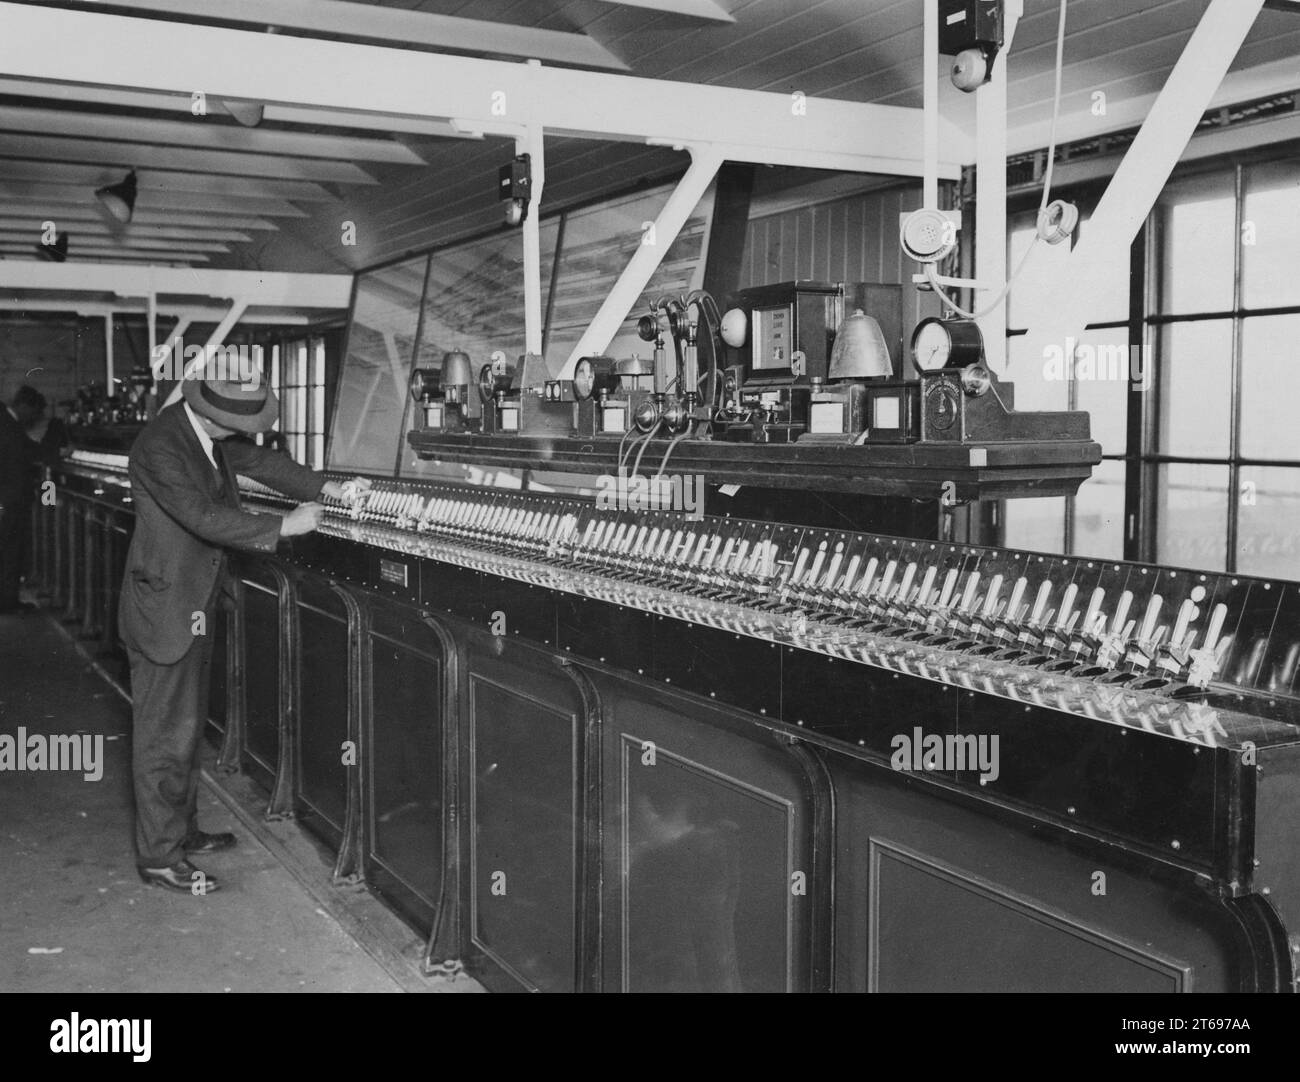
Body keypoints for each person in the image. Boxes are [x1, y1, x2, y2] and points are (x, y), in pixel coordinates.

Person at [120, 365, 369, 895]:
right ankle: (160, 857)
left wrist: (333, 487)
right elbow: (200, 515)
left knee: (185, 728)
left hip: (193, 602)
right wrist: (285, 526)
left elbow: (262, 462)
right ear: (212, 415)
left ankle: (180, 831)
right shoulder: (162, 444)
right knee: (164, 734)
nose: (245, 433)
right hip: (165, 608)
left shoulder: (202, 433)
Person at [0, 386, 43, 614]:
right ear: (24, 406)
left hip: (7, 500)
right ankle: (7, 603)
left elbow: (26, 448)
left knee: (8, 552)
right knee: (10, 553)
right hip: (9, 502)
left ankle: (7, 600)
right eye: (34, 412)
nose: (33, 418)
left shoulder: (7, 422)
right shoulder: (8, 424)